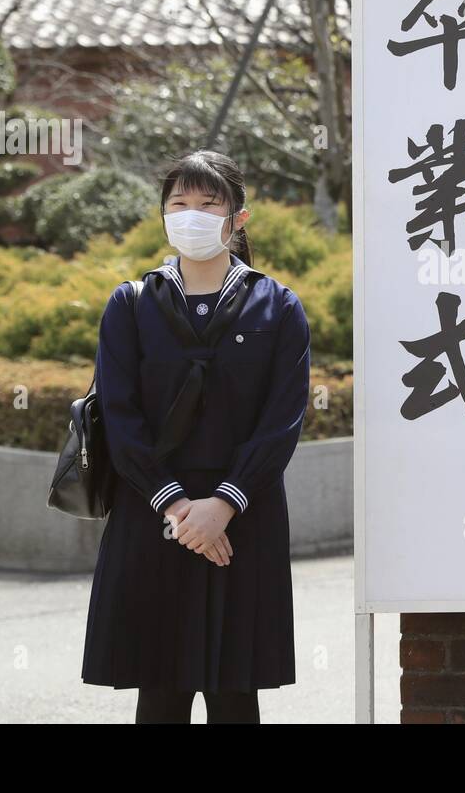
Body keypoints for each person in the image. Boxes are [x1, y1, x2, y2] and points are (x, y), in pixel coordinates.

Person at [81, 150, 312, 723]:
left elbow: (282, 420)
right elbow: (119, 414)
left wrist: (225, 504)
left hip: (244, 517)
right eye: (178, 204)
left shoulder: (278, 306)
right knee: (159, 692)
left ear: (239, 217)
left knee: (236, 693)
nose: (192, 216)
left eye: (209, 205)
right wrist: (180, 508)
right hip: (153, 510)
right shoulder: (131, 305)